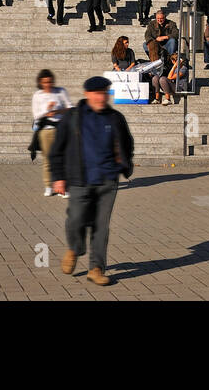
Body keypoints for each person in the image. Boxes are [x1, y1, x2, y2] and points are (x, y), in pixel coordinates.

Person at [50, 75, 135, 286]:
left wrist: (124, 163)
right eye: (97, 93)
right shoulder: (72, 117)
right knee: (76, 219)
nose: (101, 97)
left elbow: (127, 142)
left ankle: (96, 268)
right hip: (80, 179)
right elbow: (56, 149)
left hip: (108, 180)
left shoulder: (115, 117)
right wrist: (58, 177)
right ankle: (75, 249)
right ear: (87, 94)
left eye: (105, 93)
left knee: (101, 226)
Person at [31, 70, 72, 197]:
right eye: (45, 82)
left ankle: (63, 187)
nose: (48, 84)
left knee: (64, 157)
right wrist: (47, 110)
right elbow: (36, 115)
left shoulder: (60, 91)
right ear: (40, 83)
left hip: (61, 128)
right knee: (48, 159)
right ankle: (49, 185)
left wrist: (58, 111)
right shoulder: (37, 95)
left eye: (50, 81)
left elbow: (70, 108)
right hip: (46, 130)